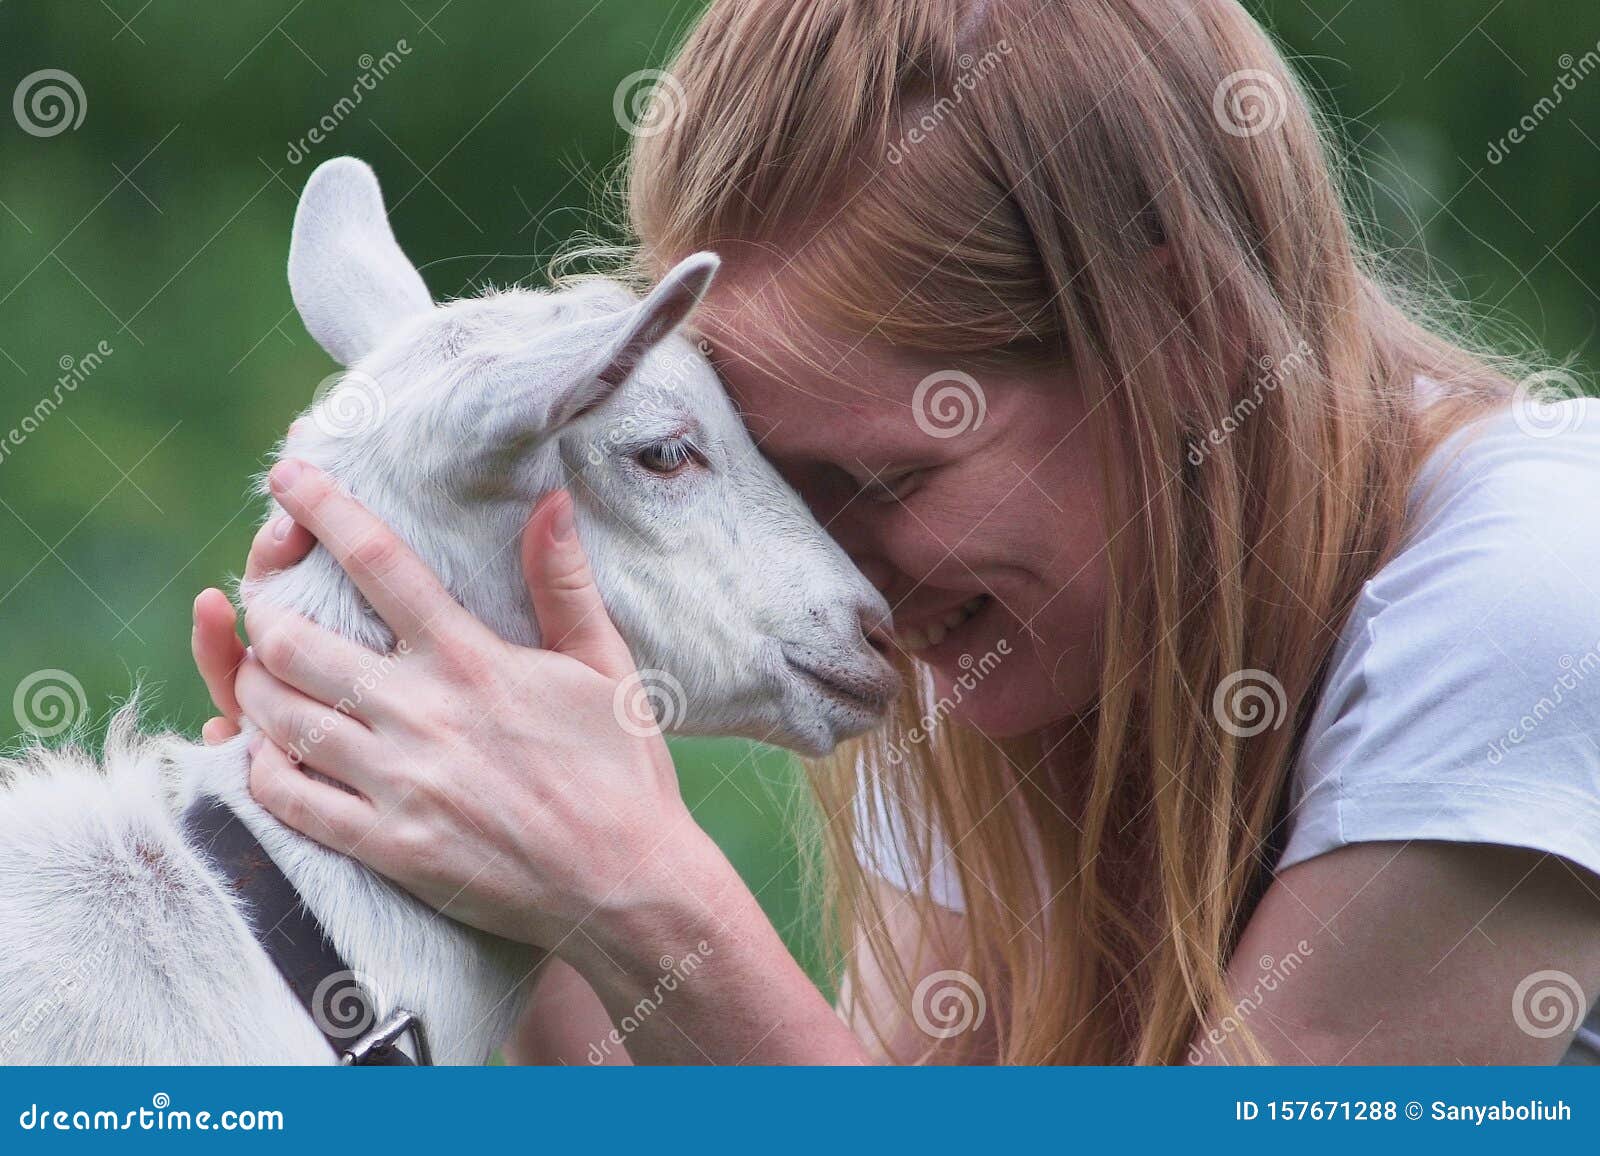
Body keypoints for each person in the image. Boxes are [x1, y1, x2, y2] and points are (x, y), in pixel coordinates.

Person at [192, 0, 1600, 1064]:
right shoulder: (1020, 646)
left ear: (1175, 338)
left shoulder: (1543, 597)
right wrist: (503, 866)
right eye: (783, 491)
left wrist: (650, 900)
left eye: (886, 477)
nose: (834, 568)